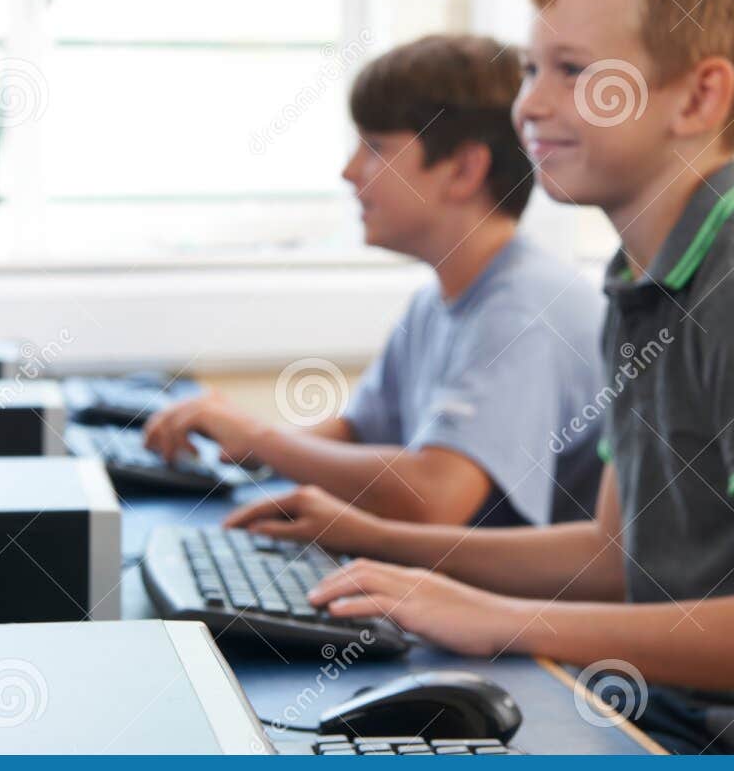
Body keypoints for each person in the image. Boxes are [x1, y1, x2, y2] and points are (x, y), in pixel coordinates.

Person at [228, 0, 734, 753]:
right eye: (529, 68)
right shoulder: (641, 280)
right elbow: (612, 554)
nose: (529, 106)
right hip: (673, 703)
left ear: (699, 95)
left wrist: (502, 620)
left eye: (574, 71)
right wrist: (375, 539)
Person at [145, 33, 604, 527]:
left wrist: (262, 439)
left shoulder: (523, 310)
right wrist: (239, 448)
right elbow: (358, 432)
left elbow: (437, 497)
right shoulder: (439, 299)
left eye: (375, 147)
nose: (349, 171)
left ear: (464, 169)